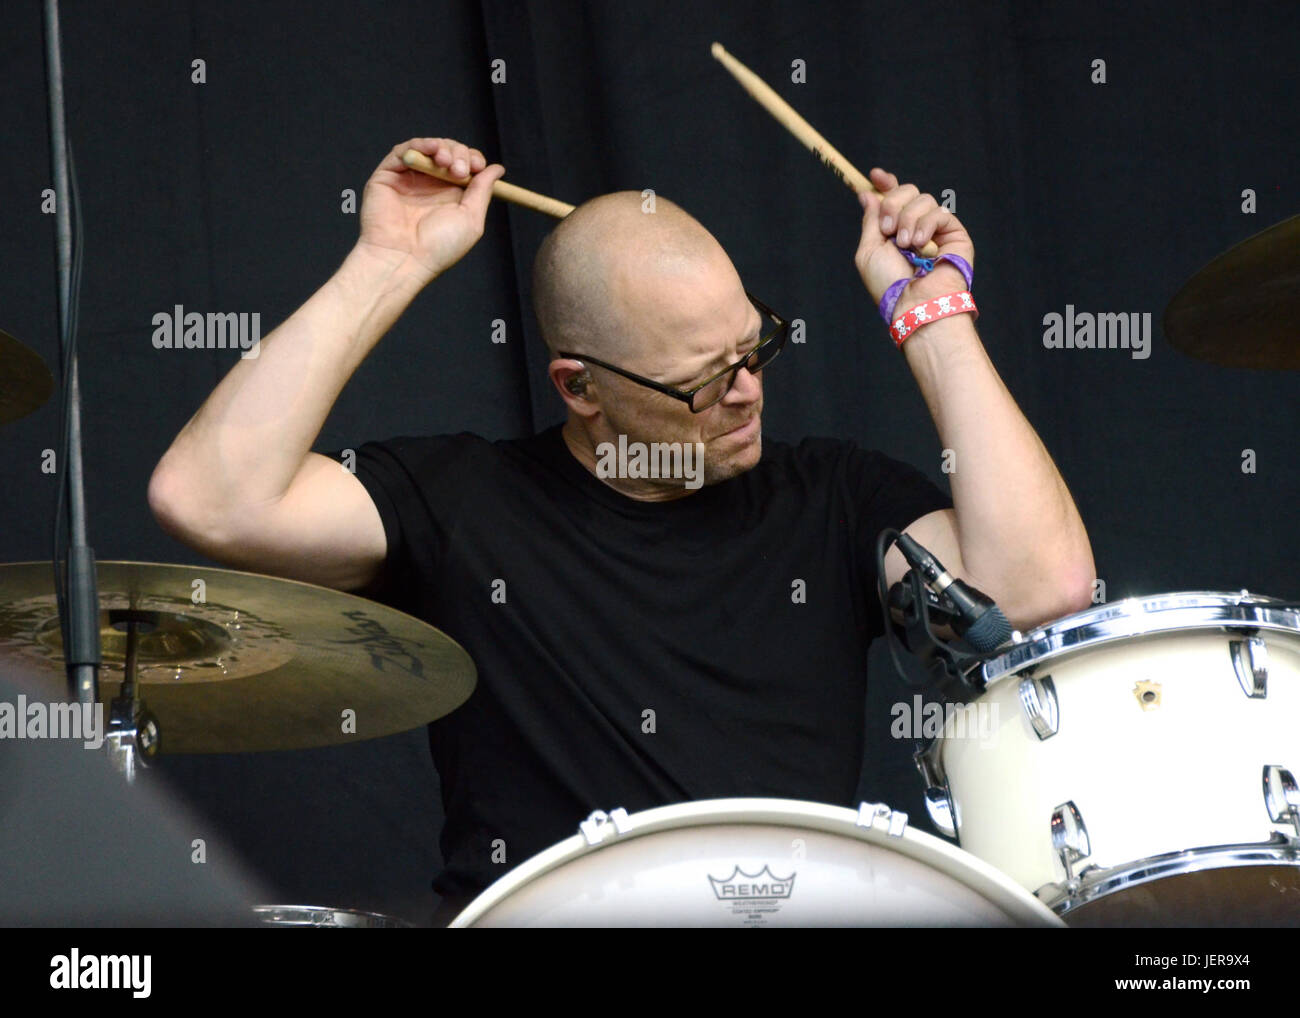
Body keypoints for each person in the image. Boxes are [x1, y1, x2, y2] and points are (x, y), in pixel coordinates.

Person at [149, 136, 1095, 923]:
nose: (748, 391)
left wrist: (931, 314)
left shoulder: (832, 497)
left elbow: (1039, 589)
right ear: (580, 388)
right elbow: (214, 498)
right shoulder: (463, 500)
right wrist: (387, 263)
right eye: (702, 380)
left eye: (755, 347)